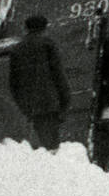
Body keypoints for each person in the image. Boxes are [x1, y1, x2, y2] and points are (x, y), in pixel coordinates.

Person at [8, 15, 71, 151]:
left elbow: (13, 84)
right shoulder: (48, 45)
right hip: (49, 105)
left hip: (28, 108)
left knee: (33, 149)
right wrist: (65, 102)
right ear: (44, 28)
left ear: (26, 28)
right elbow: (59, 75)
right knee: (51, 148)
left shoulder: (16, 49)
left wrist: (22, 106)